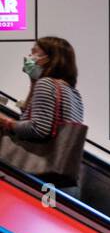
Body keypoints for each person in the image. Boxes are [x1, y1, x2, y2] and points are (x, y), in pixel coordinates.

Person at [1, 37, 86, 192]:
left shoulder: (47, 84)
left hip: (36, 165)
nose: (29, 56)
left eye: (35, 52)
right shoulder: (73, 93)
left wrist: (5, 122)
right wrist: (33, 81)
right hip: (59, 173)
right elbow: (30, 116)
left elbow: (39, 129)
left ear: (50, 58)